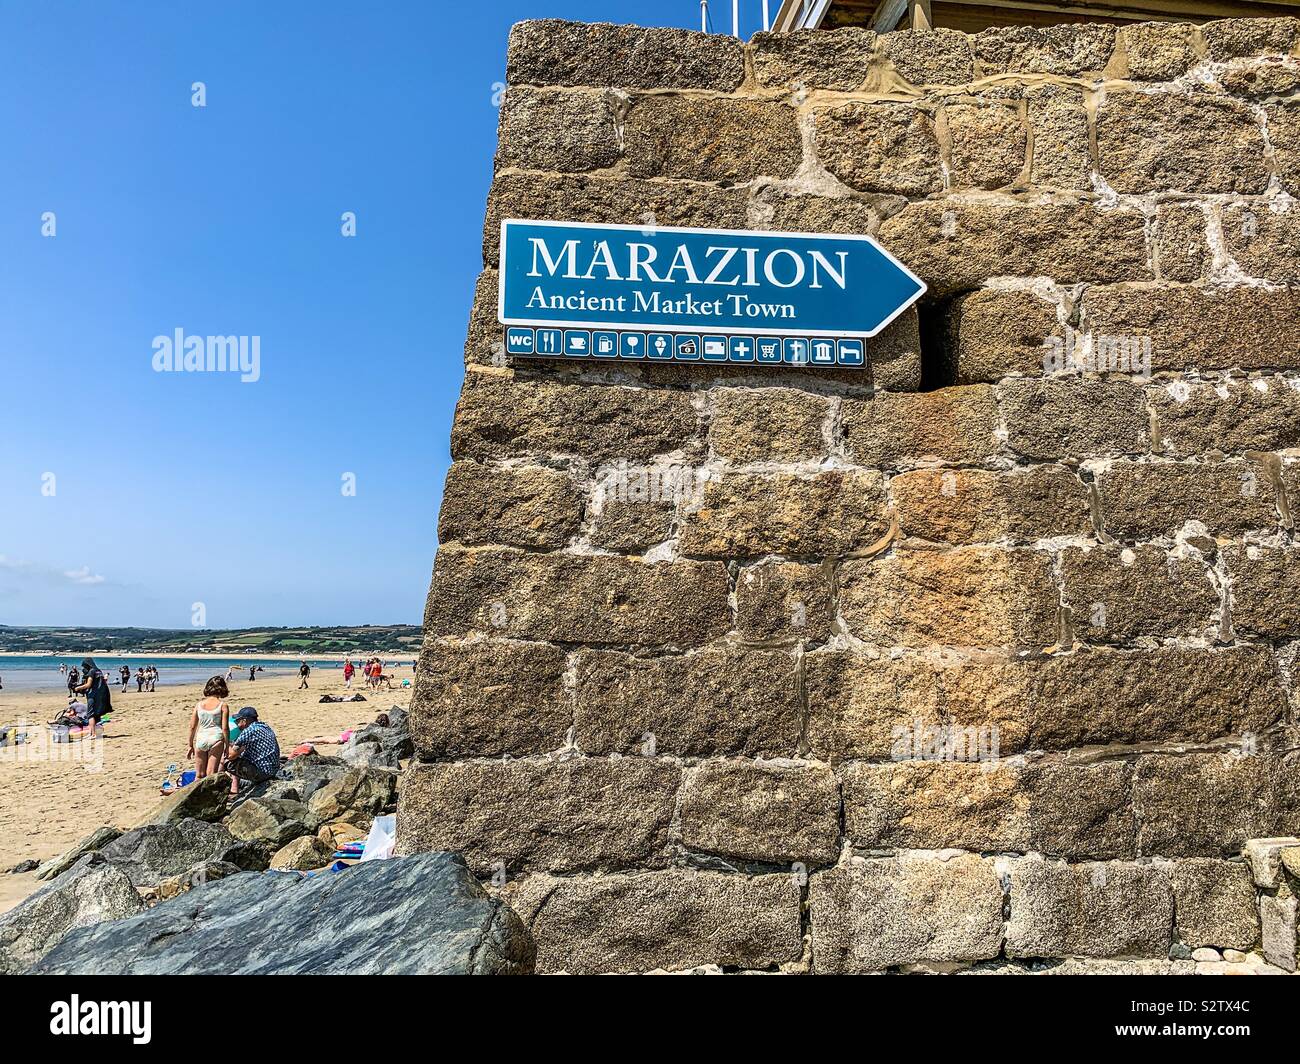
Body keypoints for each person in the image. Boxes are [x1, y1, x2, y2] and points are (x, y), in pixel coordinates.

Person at [224, 707, 280, 795]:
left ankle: (217, 788)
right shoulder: (265, 727)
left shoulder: (248, 731)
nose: (237, 724)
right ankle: (235, 788)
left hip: (262, 772)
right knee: (239, 757)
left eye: (237, 721)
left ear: (244, 721)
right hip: (272, 769)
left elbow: (231, 755)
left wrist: (225, 743)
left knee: (224, 761)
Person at [187, 677, 230, 780]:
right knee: (211, 774)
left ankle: (196, 795)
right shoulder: (223, 705)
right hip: (216, 738)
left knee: (199, 775)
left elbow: (192, 727)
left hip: (201, 738)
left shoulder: (199, 705)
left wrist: (190, 745)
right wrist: (227, 745)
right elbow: (225, 728)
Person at [74, 657, 111, 733]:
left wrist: (77, 688)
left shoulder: (91, 672)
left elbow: (88, 685)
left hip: (93, 695)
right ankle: (97, 732)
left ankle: (93, 733)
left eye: (84, 666)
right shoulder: (99, 671)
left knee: (90, 714)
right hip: (101, 695)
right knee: (97, 714)